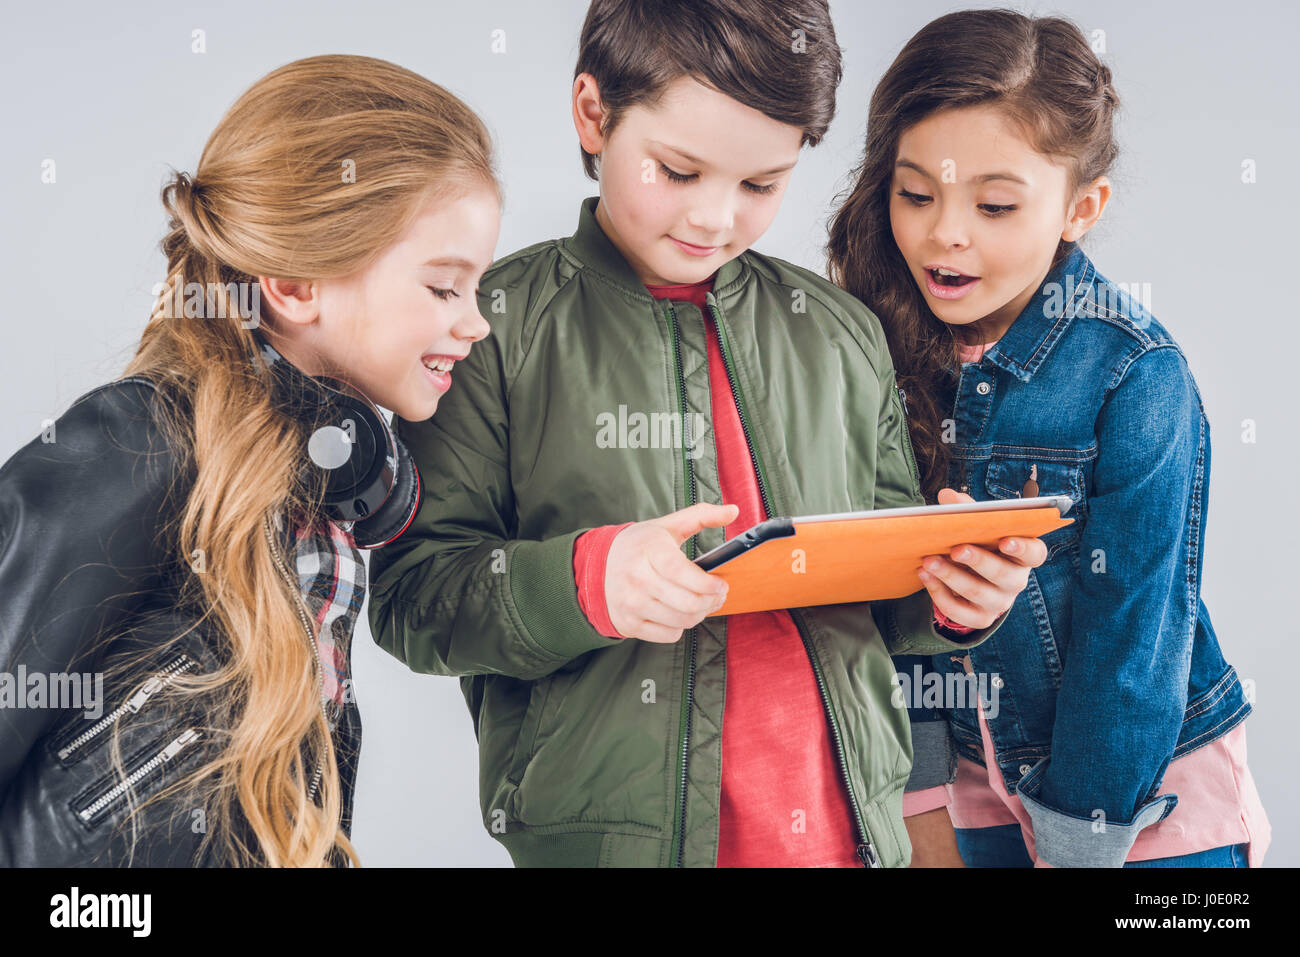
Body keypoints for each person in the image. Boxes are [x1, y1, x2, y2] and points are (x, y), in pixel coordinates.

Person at [367, 0, 1048, 868]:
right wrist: (585, 582)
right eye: (678, 171)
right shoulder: (485, 327)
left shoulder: (838, 332)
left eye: (761, 185)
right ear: (593, 114)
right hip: (613, 845)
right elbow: (414, 598)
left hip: (849, 836)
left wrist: (955, 599)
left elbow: (885, 603)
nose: (714, 219)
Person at [0, 53, 498, 866]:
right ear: (297, 284)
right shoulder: (139, 446)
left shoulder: (324, 497)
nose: (476, 323)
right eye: (445, 288)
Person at [827, 8, 1269, 867]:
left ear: (1081, 208)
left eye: (994, 204)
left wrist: (1081, 845)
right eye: (915, 193)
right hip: (969, 799)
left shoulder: (1135, 374)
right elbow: (881, 615)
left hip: (1141, 806)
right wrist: (919, 817)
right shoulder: (870, 342)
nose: (945, 232)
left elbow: (1132, 645)